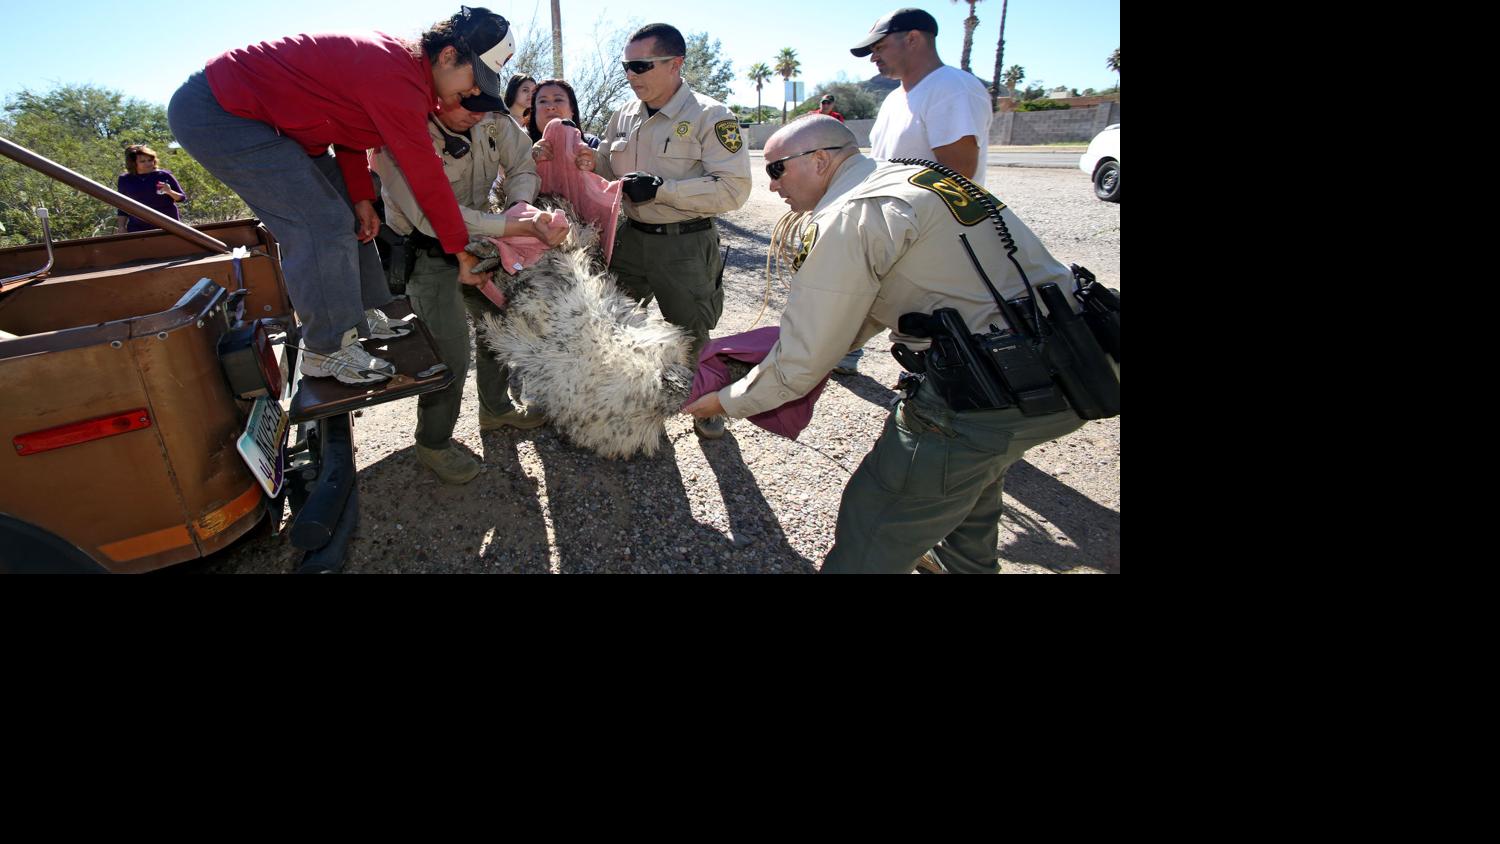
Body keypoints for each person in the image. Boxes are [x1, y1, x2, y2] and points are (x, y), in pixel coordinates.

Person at [682, 116, 1088, 574]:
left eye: (776, 170)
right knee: (967, 485)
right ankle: (961, 564)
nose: (772, 187)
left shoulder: (847, 214)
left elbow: (800, 365)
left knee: (876, 519)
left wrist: (721, 401)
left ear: (820, 161)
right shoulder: (913, 176)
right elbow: (872, 309)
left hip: (986, 389)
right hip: (1076, 360)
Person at [167, 6, 558, 385]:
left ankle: (366, 311)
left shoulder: (411, 77)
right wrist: (460, 252)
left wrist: (360, 197)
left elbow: (350, 132)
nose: (475, 90)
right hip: (221, 111)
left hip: (288, 129)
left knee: (350, 219)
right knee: (322, 223)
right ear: (449, 55)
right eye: (476, 77)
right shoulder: (395, 75)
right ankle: (326, 349)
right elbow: (427, 179)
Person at [536, 22, 751, 439]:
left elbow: (734, 189)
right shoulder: (625, 114)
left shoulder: (710, 116)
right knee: (612, 324)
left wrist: (663, 190)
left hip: (684, 245)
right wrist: (581, 159)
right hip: (631, 240)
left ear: (675, 64)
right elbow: (603, 166)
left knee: (691, 332)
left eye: (640, 66)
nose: (631, 75)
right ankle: (622, 401)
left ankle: (706, 405)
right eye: (625, 67)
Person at [372, 92, 556, 484]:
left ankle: (495, 408)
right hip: (427, 252)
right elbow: (430, 217)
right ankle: (434, 442)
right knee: (451, 355)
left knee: (498, 328)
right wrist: (512, 228)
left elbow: (523, 163)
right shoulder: (401, 132)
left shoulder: (491, 119)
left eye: (482, 108)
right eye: (465, 105)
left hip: (480, 243)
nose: (474, 116)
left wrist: (521, 205)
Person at [115, 144, 186, 233]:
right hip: (137, 228)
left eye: (150, 160)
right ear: (133, 163)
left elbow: (181, 198)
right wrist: (121, 227)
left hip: (168, 226)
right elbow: (122, 206)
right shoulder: (125, 179)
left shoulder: (164, 175)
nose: (148, 163)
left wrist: (169, 192)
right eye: (142, 161)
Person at [526, 79, 603, 149]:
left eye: (558, 100)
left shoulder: (592, 144)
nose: (550, 107)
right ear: (534, 111)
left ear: (572, 108)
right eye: (543, 101)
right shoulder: (521, 147)